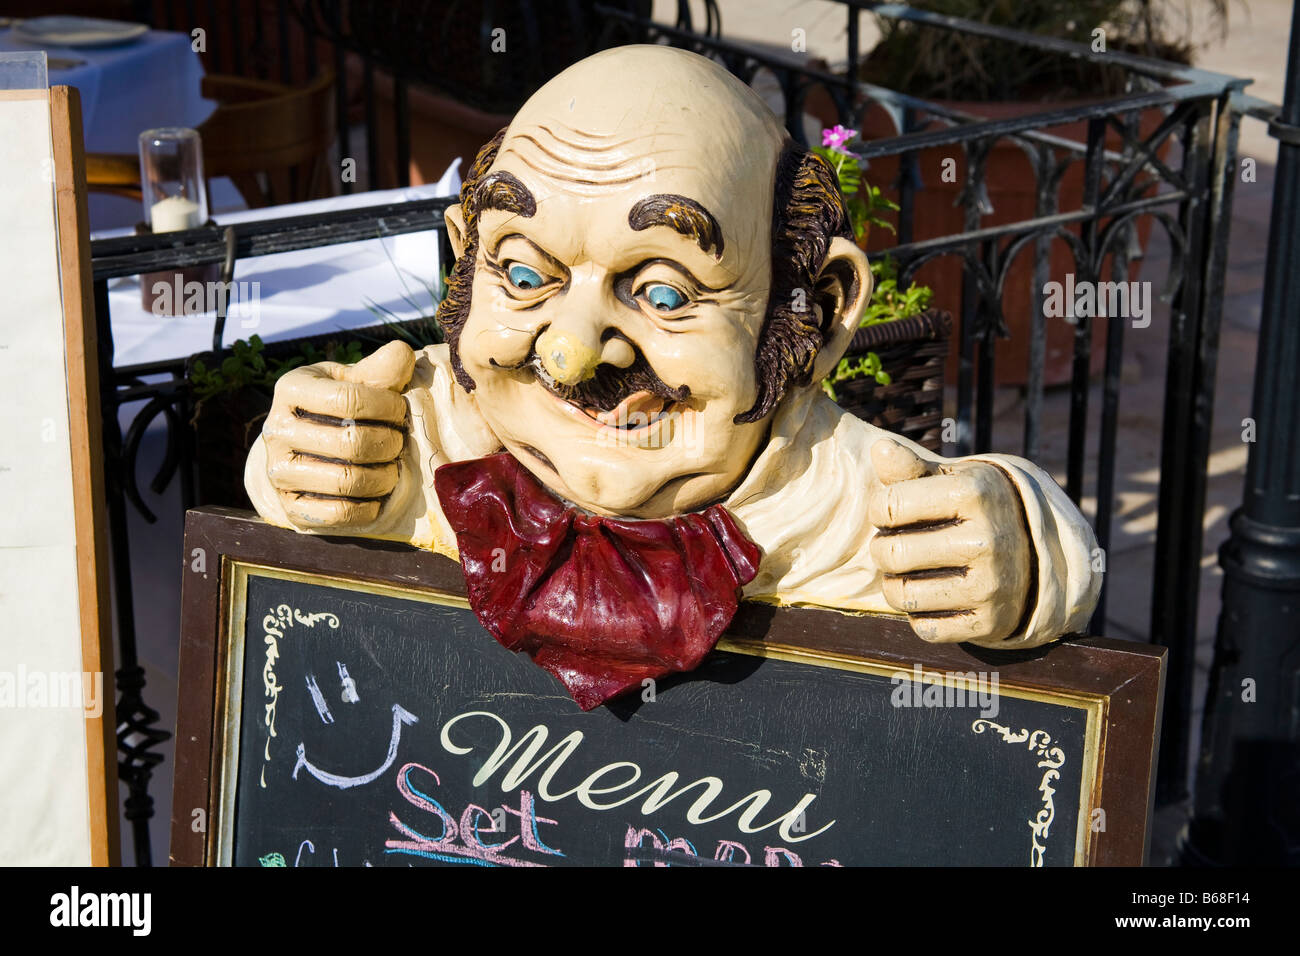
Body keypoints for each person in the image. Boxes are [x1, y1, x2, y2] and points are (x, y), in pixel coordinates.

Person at [244, 45, 1100, 709]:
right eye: (525, 274)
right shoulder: (426, 431)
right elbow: (301, 484)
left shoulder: (855, 505)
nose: (574, 352)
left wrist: (1023, 550)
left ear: (819, 306)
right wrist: (305, 458)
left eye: (663, 290)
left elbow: (1027, 555)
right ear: (466, 258)